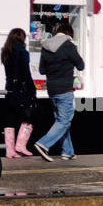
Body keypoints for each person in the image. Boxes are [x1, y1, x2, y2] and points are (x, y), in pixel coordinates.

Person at [33, 20, 85, 161]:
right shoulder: (69, 46)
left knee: (61, 120)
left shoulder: (46, 46)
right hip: (65, 89)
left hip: (51, 89)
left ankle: (67, 151)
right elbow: (81, 65)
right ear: (68, 34)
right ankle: (43, 144)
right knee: (65, 120)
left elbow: (42, 70)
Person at [0, 28, 35, 158]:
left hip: (9, 88)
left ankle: (10, 151)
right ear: (22, 38)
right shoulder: (22, 52)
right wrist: (32, 89)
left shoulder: (6, 52)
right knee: (28, 117)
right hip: (22, 89)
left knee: (10, 118)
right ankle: (20, 145)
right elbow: (26, 73)